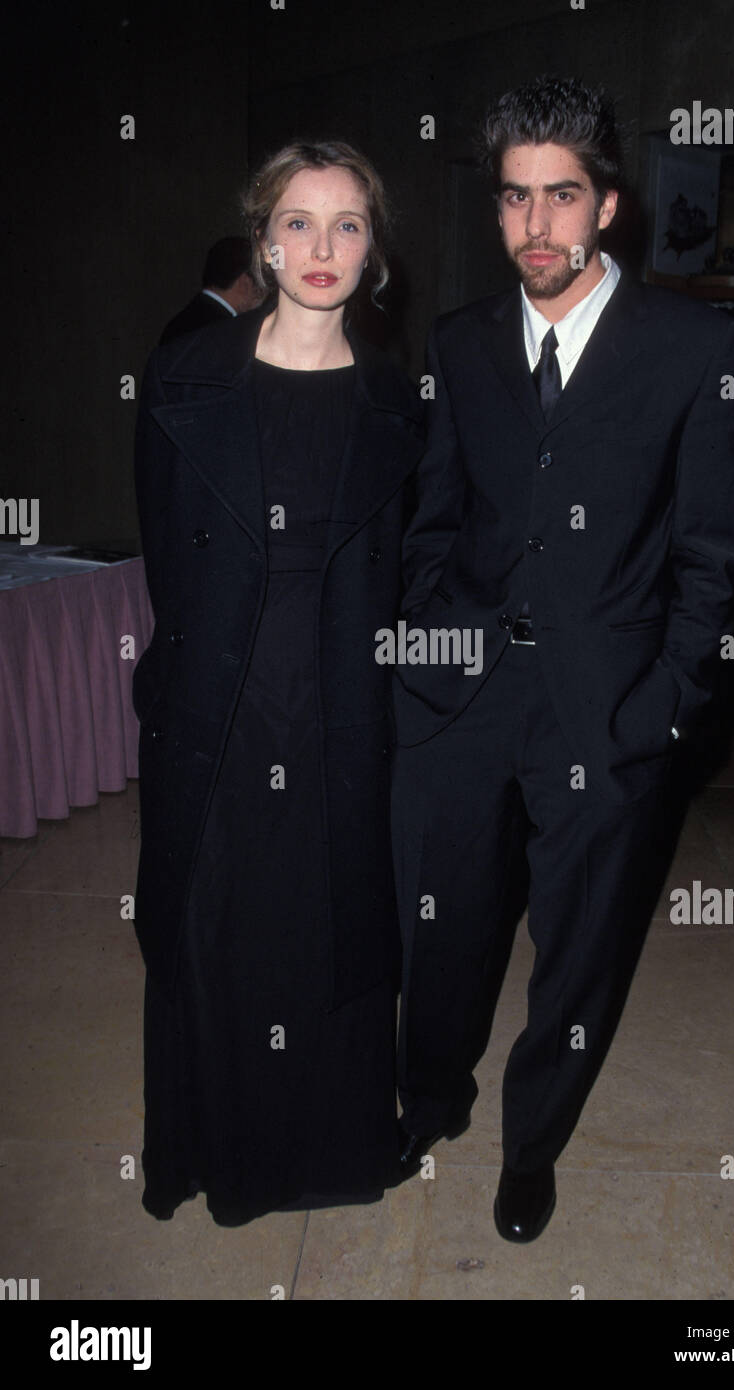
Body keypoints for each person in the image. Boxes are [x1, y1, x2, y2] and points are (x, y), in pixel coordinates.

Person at [391, 75, 734, 1242]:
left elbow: (716, 563)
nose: (533, 227)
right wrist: (425, 657)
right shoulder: (459, 341)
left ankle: (530, 1142)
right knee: (442, 922)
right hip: (463, 699)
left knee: (578, 950)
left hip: (607, 710)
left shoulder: (695, 348)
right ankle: (429, 1096)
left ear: (607, 206)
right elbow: (431, 525)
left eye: (560, 197)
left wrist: (661, 710)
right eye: (512, 200)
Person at [132, 141, 424, 1226]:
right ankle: (215, 1151)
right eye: (298, 222)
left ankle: (329, 1151)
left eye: (348, 224)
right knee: (215, 932)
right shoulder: (182, 376)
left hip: (340, 710)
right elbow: (167, 554)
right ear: (262, 237)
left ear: (372, 251)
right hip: (218, 701)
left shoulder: (398, 405)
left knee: (325, 928)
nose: (321, 247)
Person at [159, 235, 264, 344]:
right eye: (262, 283)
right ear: (245, 283)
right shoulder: (228, 332)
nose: (263, 293)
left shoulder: (178, 323)